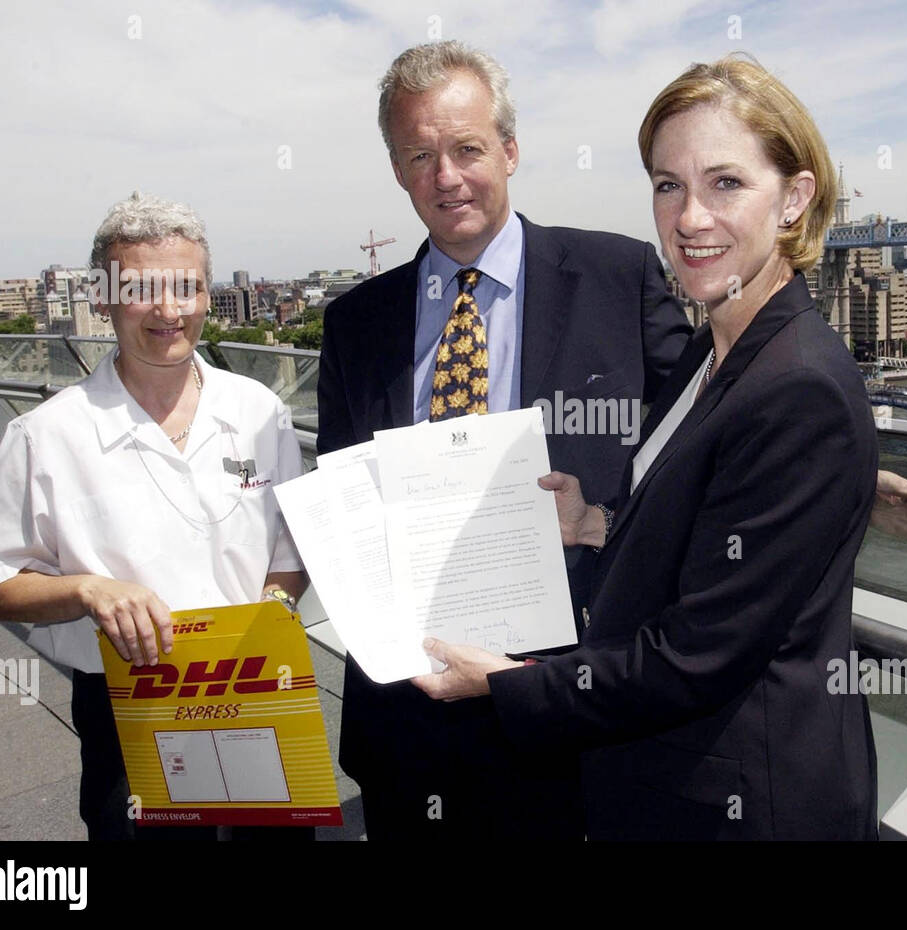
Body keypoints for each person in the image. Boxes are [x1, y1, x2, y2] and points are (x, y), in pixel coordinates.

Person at [413, 56, 885, 839]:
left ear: (795, 200)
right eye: (669, 184)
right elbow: (699, 521)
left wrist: (508, 685)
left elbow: (697, 654)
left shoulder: (799, 387)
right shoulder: (715, 351)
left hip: (745, 805)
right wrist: (595, 522)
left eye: (726, 183)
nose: (690, 217)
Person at [316, 41, 692, 839]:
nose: (445, 176)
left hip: (563, 697)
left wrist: (603, 516)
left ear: (511, 151)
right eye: (420, 155)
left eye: (467, 149)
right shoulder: (354, 323)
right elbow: (340, 485)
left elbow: (701, 435)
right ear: (396, 169)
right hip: (407, 712)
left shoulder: (619, 277)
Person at [0, 192, 308, 841]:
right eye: (142, 288)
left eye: (186, 286)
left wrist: (275, 607)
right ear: (104, 296)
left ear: (208, 294)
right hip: (132, 711)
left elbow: (290, 548)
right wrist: (86, 590)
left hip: (257, 689)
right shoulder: (46, 436)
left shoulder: (261, 410)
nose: (169, 310)